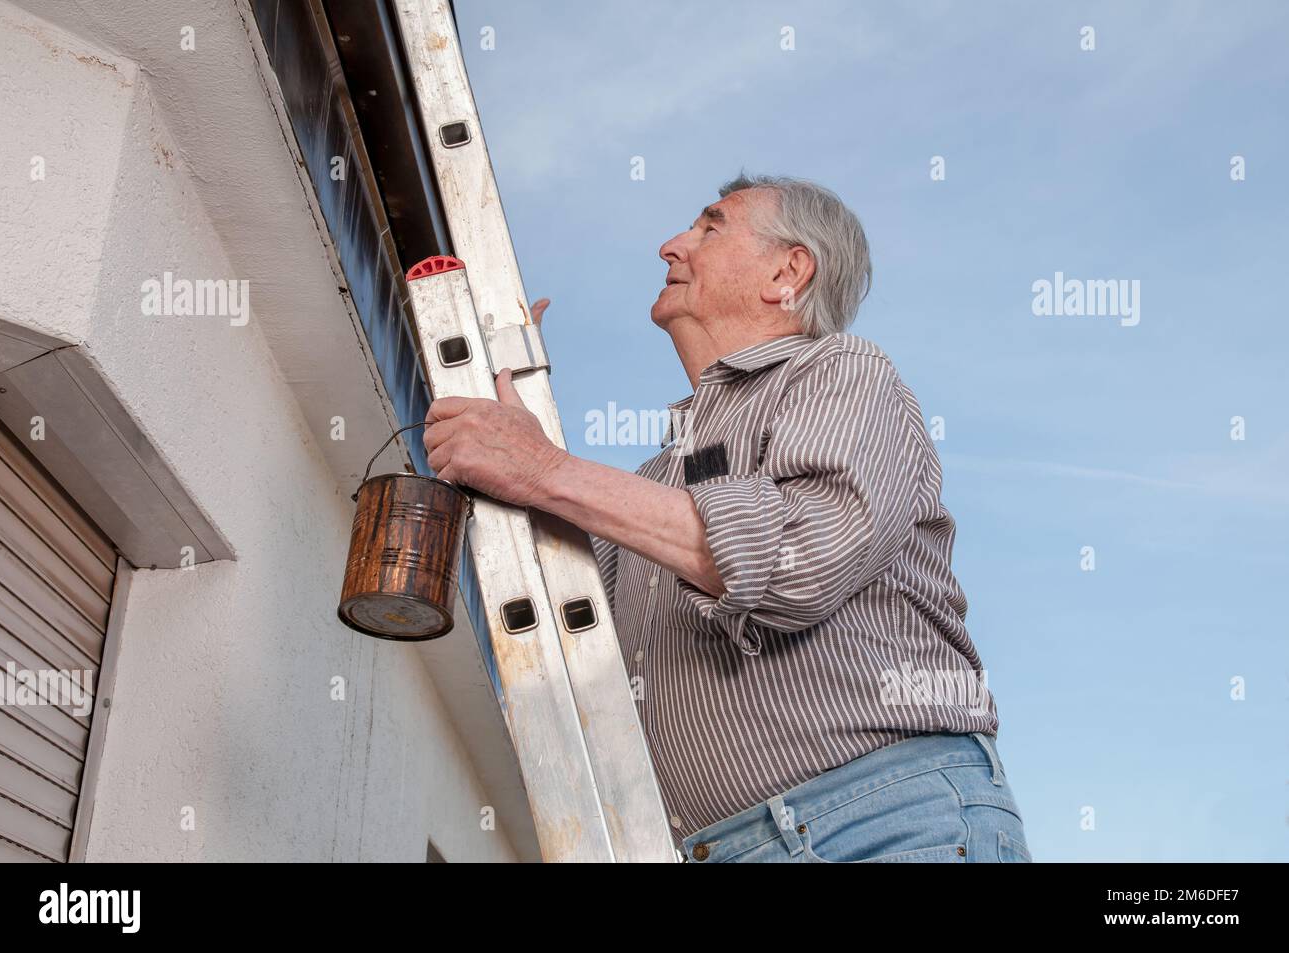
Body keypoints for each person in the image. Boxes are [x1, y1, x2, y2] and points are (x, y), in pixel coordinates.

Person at [422, 173, 1032, 863]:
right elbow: (574, 615)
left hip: (874, 825)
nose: (670, 245)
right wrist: (516, 444)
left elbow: (798, 560)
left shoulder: (844, 372)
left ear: (787, 271)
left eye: (710, 226)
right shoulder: (663, 479)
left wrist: (544, 469)